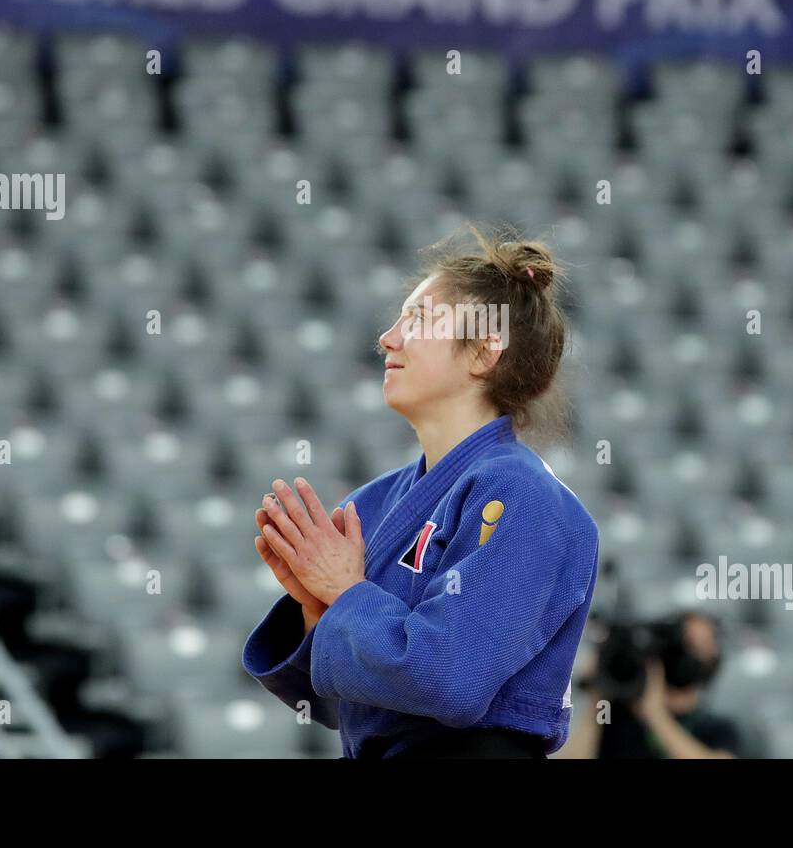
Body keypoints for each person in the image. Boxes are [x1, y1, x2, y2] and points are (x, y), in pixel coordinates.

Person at [241, 223, 600, 758]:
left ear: (483, 352)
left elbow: (451, 681)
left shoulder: (526, 498)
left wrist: (347, 594)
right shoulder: (373, 502)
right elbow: (347, 708)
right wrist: (318, 613)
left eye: (418, 320)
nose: (388, 338)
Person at [556, 612, 741, 759]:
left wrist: (655, 714)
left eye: (696, 645)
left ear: (713, 662)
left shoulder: (717, 728)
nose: (685, 650)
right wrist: (597, 697)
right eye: (683, 640)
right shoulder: (612, 717)